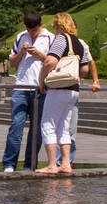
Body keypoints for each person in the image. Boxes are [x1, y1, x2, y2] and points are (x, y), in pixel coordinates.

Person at [37, 13, 95, 174]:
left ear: (59, 25)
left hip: (58, 89)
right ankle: (66, 163)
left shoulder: (61, 39)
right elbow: (84, 69)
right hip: (73, 89)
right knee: (64, 127)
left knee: (48, 124)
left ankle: (51, 164)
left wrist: (42, 80)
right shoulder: (79, 43)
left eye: (55, 26)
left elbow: (50, 61)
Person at [2, 11, 52, 173]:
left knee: (36, 130)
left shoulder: (50, 38)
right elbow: (12, 63)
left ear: (40, 24)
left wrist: (40, 54)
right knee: (16, 127)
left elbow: (53, 62)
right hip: (21, 87)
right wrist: (22, 53)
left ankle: (29, 165)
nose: (31, 33)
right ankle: (9, 164)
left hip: (40, 88)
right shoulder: (20, 36)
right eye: (29, 30)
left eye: (34, 30)